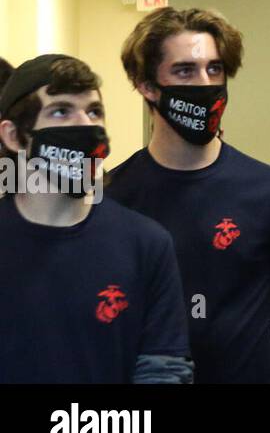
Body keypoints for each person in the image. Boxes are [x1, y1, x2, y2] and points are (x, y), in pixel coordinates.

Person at [107, 7, 270, 384]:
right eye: (184, 71)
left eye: (214, 69)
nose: (204, 83)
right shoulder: (111, 196)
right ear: (146, 85)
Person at [0, 54, 191, 384]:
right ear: (14, 137)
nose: (86, 126)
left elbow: (163, 372)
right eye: (61, 111)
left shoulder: (146, 243)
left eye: (94, 111)